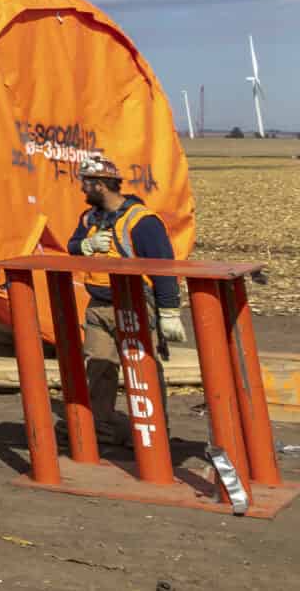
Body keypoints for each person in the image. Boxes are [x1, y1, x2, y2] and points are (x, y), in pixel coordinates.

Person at [67, 151, 187, 449]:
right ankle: (102, 430)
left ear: (100, 185)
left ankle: (155, 433)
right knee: (98, 367)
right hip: (98, 306)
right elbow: (72, 245)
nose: (82, 188)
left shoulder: (143, 222)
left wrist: (169, 311)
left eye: (86, 183)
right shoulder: (90, 218)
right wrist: (85, 244)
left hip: (134, 305)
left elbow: (163, 267)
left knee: (142, 369)